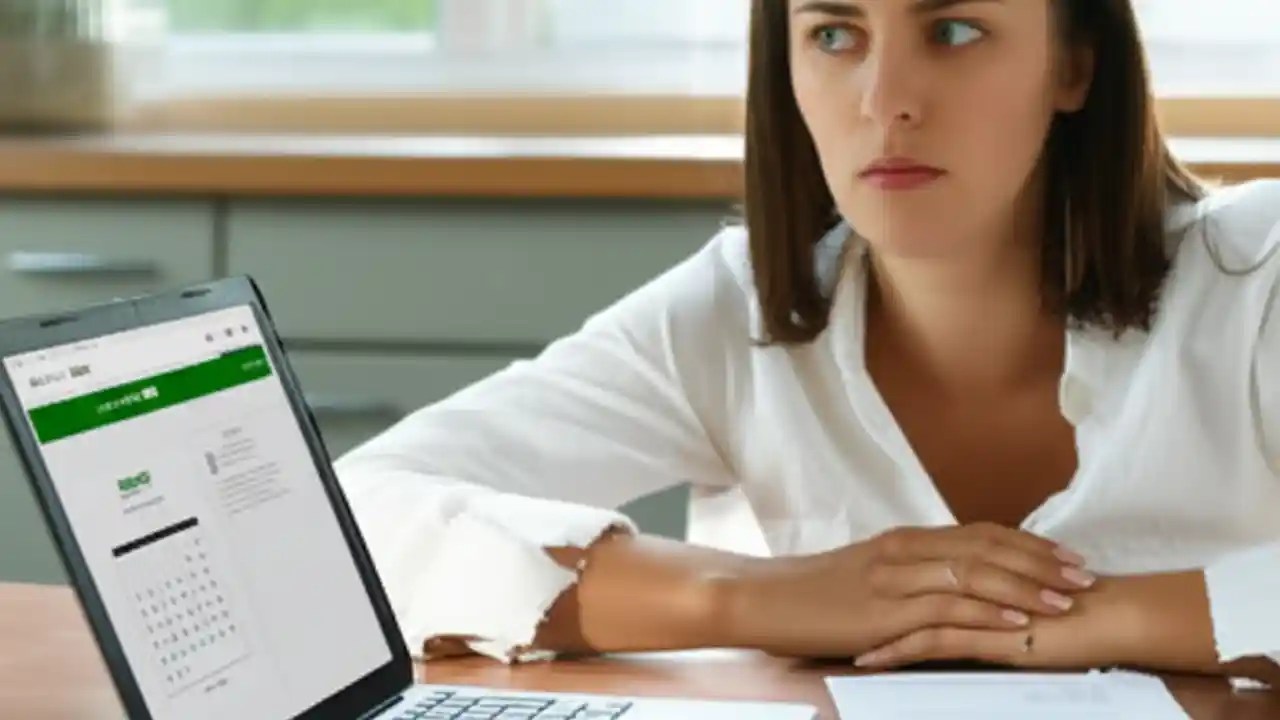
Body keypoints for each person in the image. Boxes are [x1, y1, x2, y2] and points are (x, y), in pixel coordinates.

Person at [334, 0, 1280, 682]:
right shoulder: (733, 308)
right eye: (835, 35)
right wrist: (760, 598)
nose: (884, 101)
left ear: (1074, 66)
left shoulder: (1256, 275)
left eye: (953, 32)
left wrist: (1091, 619)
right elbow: (352, 525)